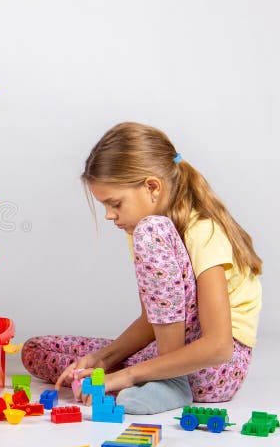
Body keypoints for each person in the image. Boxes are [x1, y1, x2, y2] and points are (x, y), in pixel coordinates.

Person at [22, 122, 262, 414]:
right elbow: (155, 319)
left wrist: (127, 374)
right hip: (173, 355)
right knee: (38, 351)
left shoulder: (195, 232)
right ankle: (150, 378)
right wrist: (104, 359)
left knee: (150, 231)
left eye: (115, 204)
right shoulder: (141, 231)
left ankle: (170, 384)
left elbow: (218, 347)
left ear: (152, 187)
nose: (110, 216)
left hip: (214, 370)